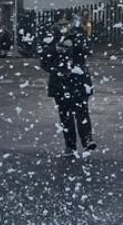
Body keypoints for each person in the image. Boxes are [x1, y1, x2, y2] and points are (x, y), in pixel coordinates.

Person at [39, 12, 96, 158]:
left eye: (66, 24)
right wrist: (55, 51)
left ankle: (87, 140)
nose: (63, 27)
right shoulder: (51, 38)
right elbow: (44, 61)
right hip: (60, 82)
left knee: (82, 112)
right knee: (65, 116)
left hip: (78, 80)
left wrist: (74, 44)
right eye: (61, 24)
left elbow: (87, 50)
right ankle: (70, 145)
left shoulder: (78, 34)